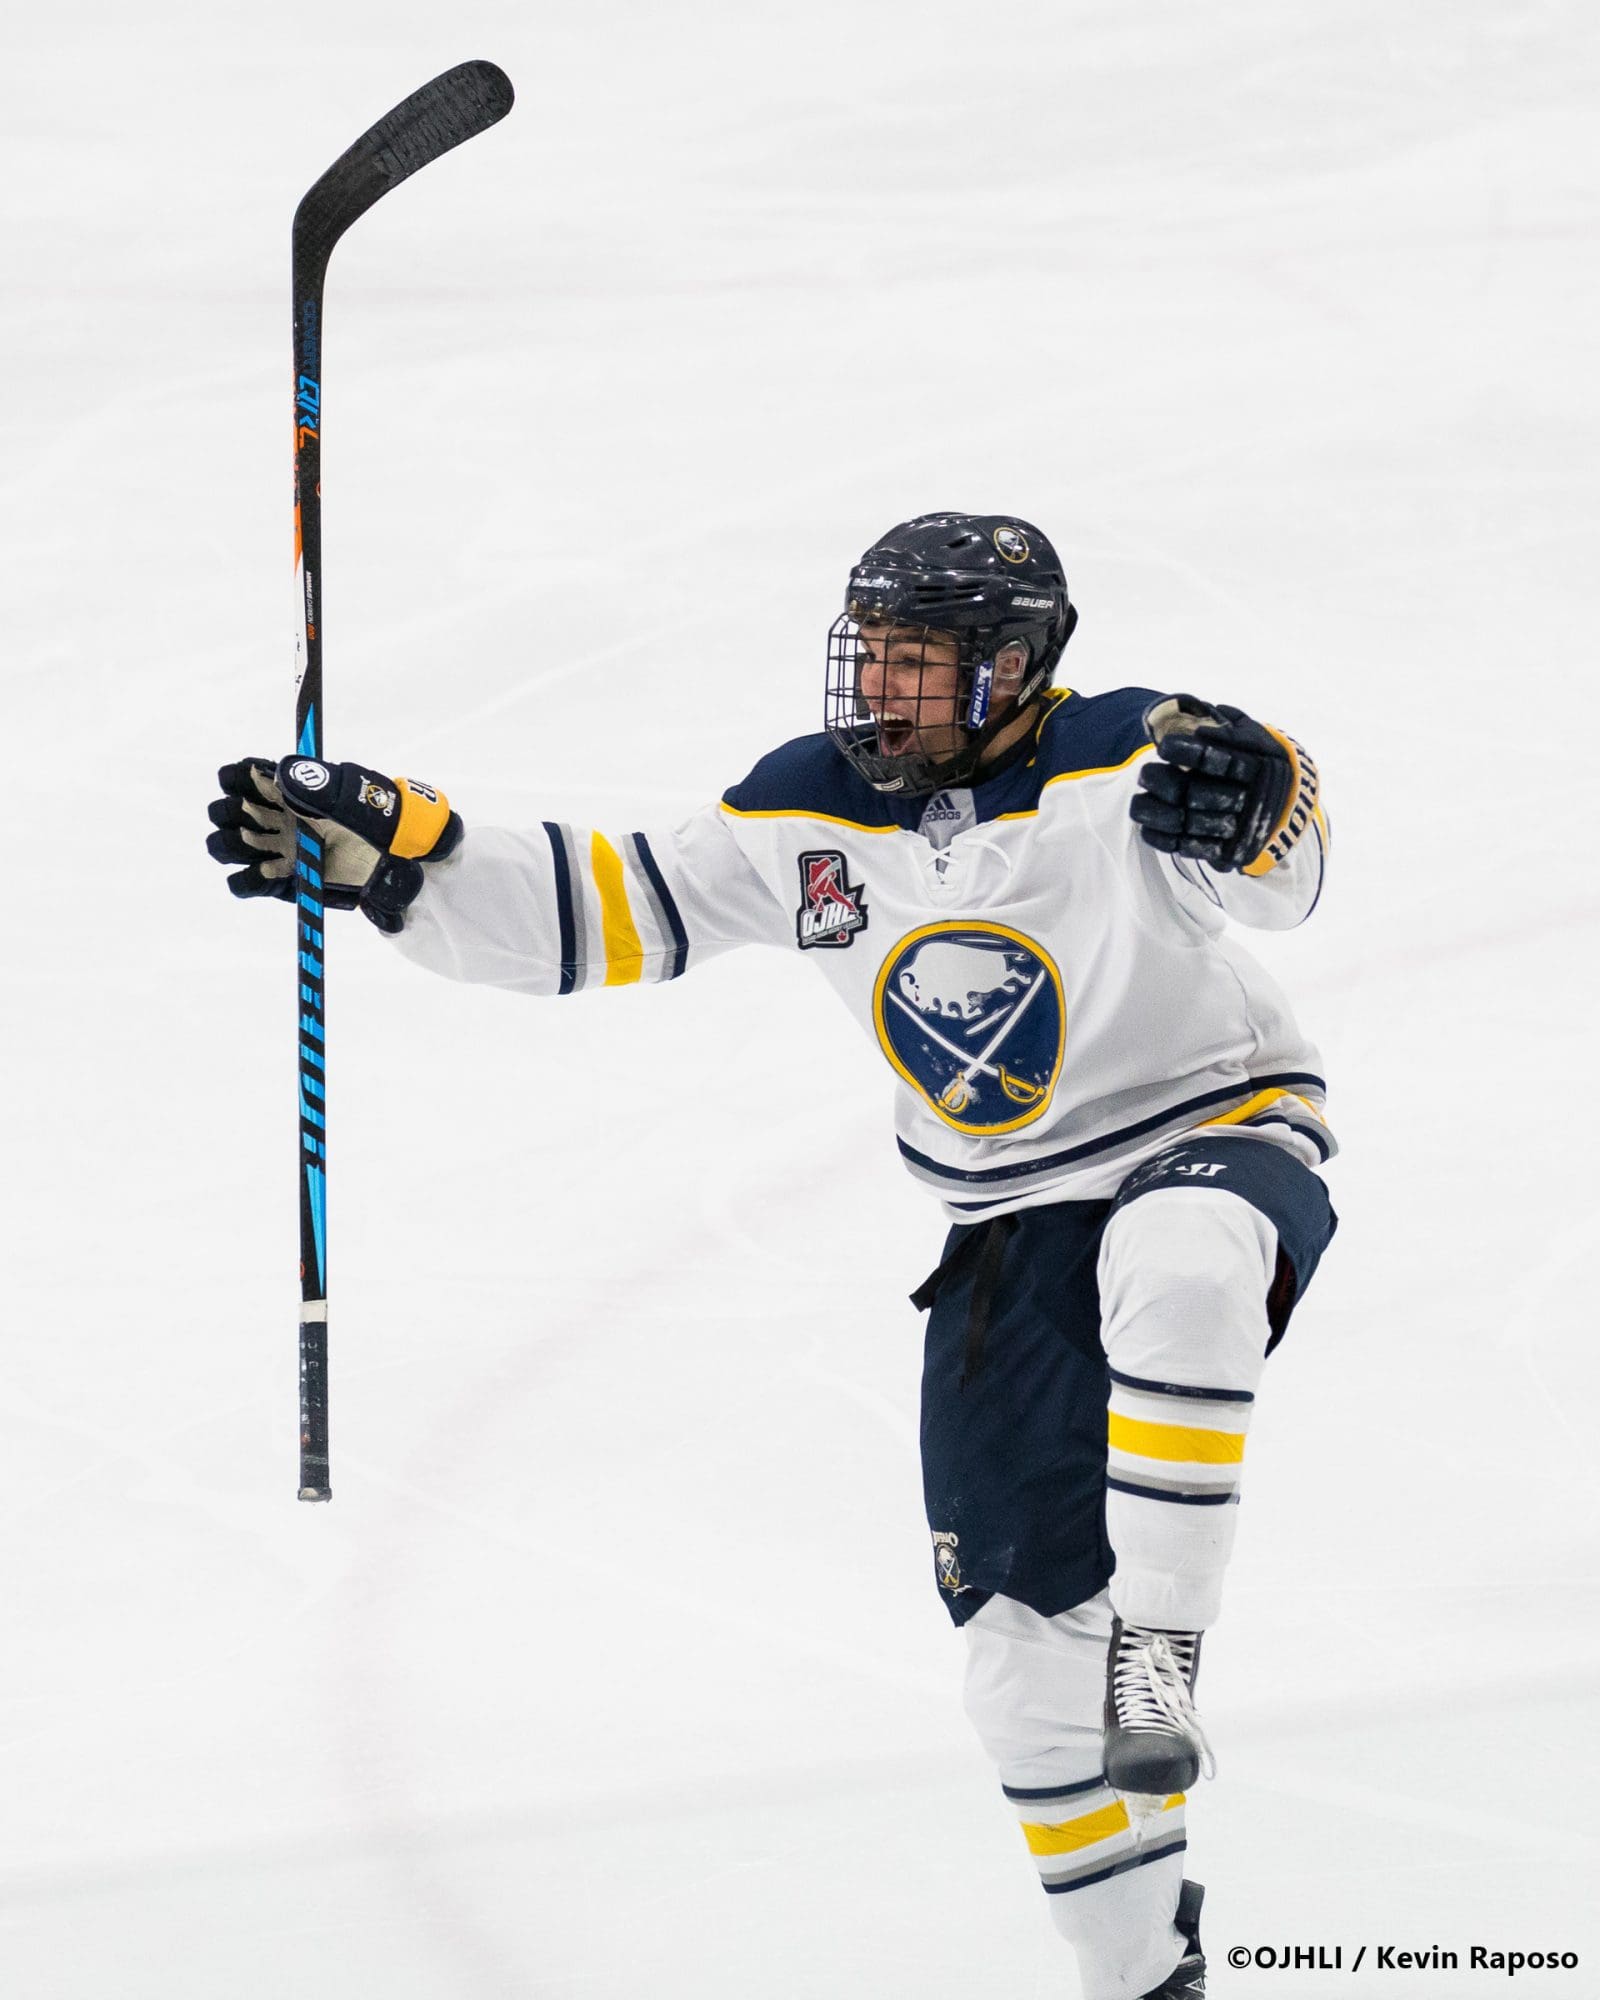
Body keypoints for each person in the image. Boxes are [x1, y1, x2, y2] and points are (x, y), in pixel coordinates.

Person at [208, 512, 1336, 1999]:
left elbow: (1282, 864)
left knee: (1185, 1267)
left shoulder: (1129, 755)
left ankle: (1163, 1653)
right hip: (1006, 1224)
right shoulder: (808, 810)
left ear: (1014, 667)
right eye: (868, 652)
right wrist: (402, 858)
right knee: (1014, 1675)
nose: (877, 687)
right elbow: (599, 909)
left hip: (1214, 1131)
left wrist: (1260, 797)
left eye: (916, 661)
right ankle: (1141, 1973)